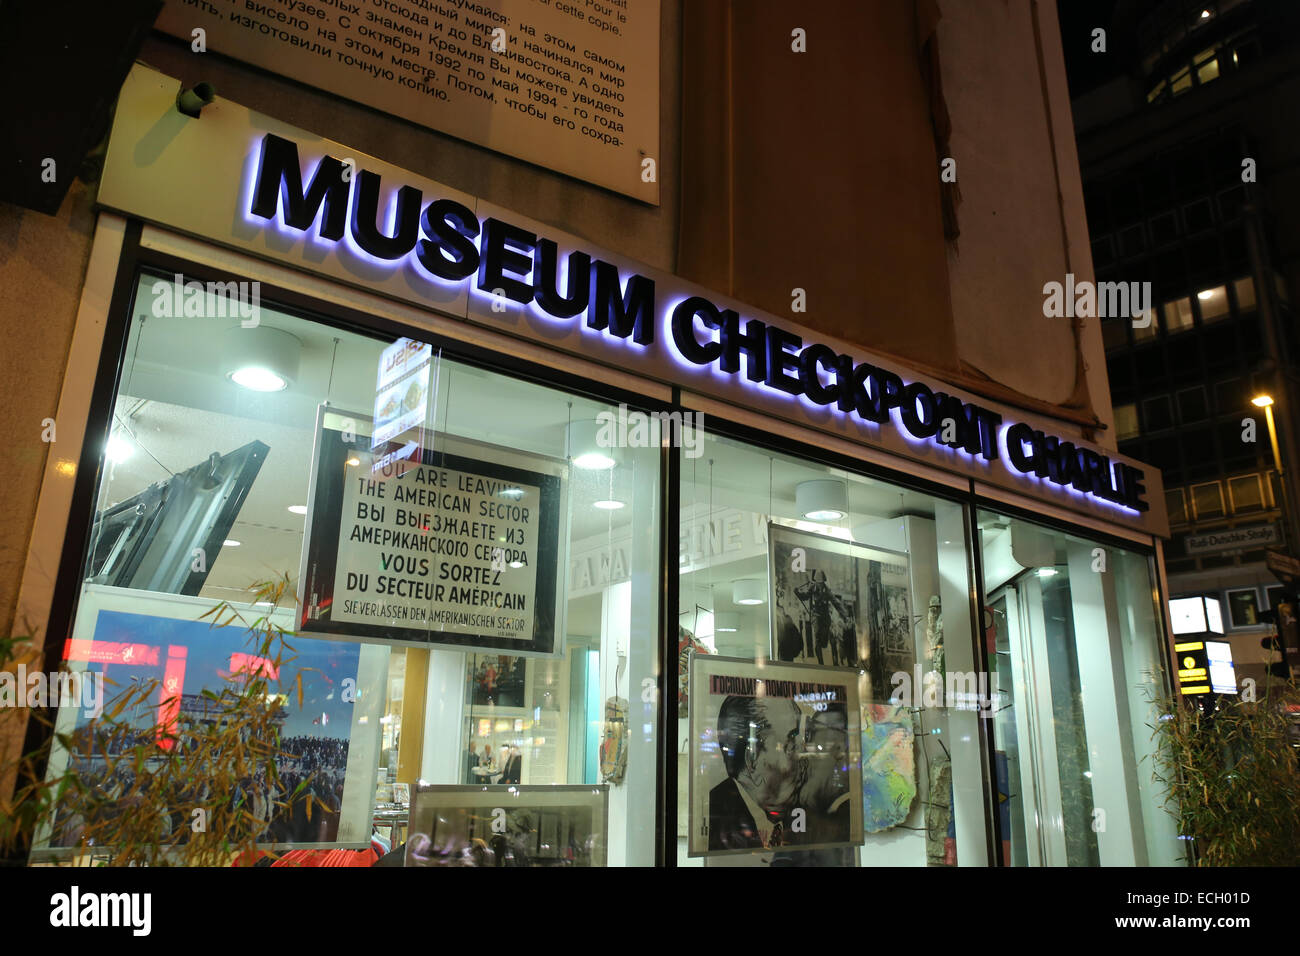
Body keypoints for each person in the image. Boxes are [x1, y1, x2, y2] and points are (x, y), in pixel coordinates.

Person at [708, 695, 805, 851]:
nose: (803, 752)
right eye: (791, 743)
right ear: (753, 758)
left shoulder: (798, 815)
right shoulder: (716, 819)